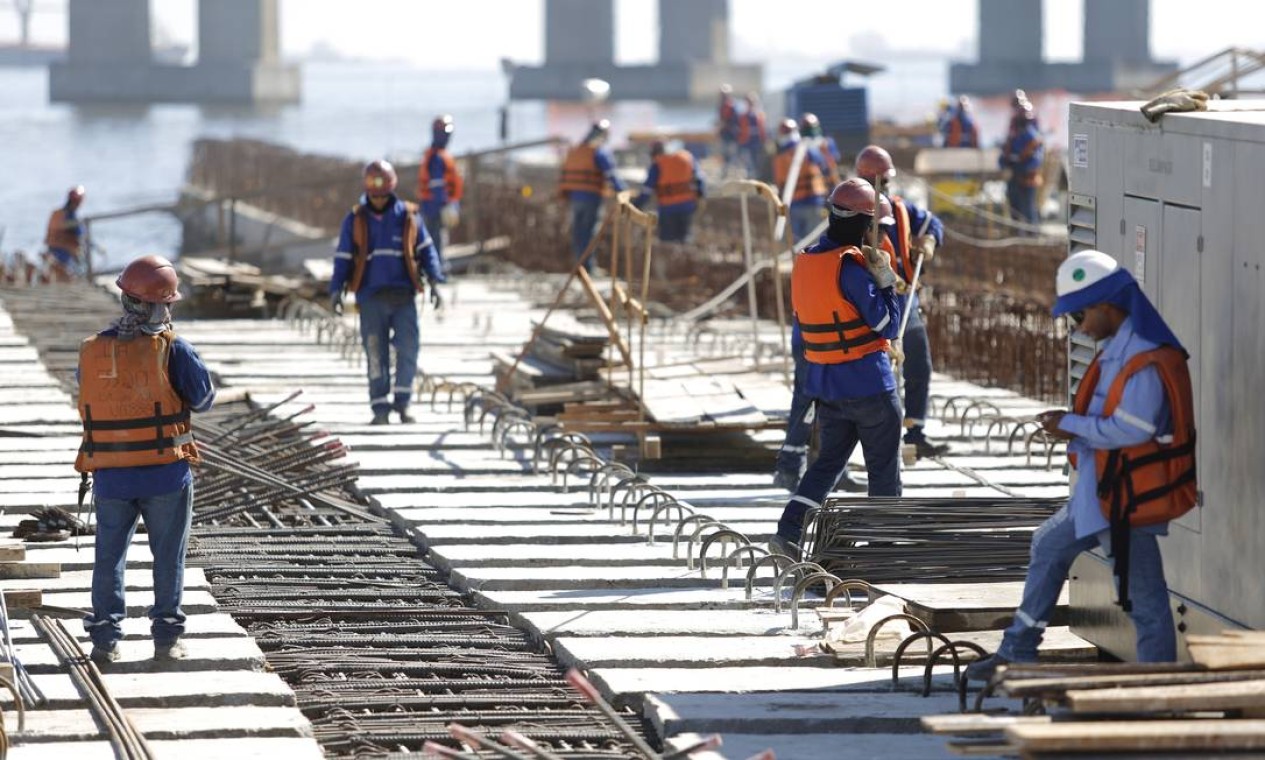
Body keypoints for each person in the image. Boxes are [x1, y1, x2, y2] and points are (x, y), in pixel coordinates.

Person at [966, 249, 1195, 680]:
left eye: (1080, 316)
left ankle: (1159, 689)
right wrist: (1071, 424)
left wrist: (1069, 425)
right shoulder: (1118, 350)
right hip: (1102, 493)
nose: (1079, 327)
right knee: (1049, 547)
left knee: (1144, 600)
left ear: (1107, 306)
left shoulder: (1142, 357)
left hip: (1126, 500)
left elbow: (1135, 428)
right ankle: (1018, 647)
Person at [75, 255, 215, 664]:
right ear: (159, 306)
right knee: (168, 557)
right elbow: (204, 400)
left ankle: (105, 640)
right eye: (168, 303)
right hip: (165, 477)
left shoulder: (93, 350)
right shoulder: (175, 349)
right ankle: (166, 640)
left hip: (112, 477)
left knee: (109, 558)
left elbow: (89, 396)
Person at [769, 179, 905, 560]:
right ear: (865, 225)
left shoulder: (807, 261)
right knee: (883, 470)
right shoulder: (852, 268)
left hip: (828, 386)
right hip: (870, 386)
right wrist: (887, 283)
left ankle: (789, 530)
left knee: (826, 464)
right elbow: (887, 327)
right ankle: (882, 548)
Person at [330, 160, 446, 426]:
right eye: (374, 194)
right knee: (375, 353)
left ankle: (403, 403)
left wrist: (435, 284)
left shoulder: (408, 216)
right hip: (370, 299)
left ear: (391, 189)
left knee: (408, 349)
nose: (379, 199)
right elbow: (343, 257)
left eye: (383, 194)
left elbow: (427, 251)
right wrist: (336, 289)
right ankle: (379, 407)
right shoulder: (356, 219)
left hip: (403, 296)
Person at [854, 145, 949, 460]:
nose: (884, 188)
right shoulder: (852, 214)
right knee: (882, 371)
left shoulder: (900, 209)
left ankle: (915, 432)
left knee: (918, 362)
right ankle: (880, 440)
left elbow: (931, 223)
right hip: (872, 305)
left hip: (906, 298)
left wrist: (930, 240)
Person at [559, 119, 626, 272]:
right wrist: (622, 191)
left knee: (578, 231)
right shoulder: (599, 151)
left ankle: (579, 264)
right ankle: (587, 267)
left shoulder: (576, 150)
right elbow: (611, 175)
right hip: (590, 197)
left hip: (575, 197)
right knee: (589, 232)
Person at [417, 114, 463, 273]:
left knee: (436, 239)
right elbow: (437, 185)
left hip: (434, 205)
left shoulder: (438, 155)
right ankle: (436, 271)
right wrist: (446, 205)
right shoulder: (436, 158)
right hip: (434, 206)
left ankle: (436, 269)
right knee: (435, 240)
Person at [772, 118, 831, 243]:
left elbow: (780, 185)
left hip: (795, 205)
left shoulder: (779, 158)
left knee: (798, 245)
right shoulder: (808, 149)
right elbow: (824, 167)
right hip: (812, 203)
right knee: (814, 243)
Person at [635, 140, 705, 243]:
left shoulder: (657, 166)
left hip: (667, 209)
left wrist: (636, 205)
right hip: (687, 207)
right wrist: (701, 196)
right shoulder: (687, 158)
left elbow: (647, 191)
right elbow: (700, 179)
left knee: (667, 242)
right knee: (684, 239)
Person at [1000, 104, 1045, 227]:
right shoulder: (1013, 136)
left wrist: (1023, 168)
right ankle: (1017, 232)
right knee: (1014, 207)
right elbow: (1004, 155)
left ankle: (1032, 234)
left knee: (1028, 208)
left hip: (1027, 178)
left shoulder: (1033, 138)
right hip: (1014, 176)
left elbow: (1036, 160)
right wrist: (1006, 164)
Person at [45, 185, 86, 281]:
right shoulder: (72, 217)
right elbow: (81, 235)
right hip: (66, 255)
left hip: (52, 251)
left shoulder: (57, 213)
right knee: (77, 273)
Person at [799, 112, 841, 186]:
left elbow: (834, 160)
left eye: (811, 127)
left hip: (830, 181)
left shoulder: (827, 143)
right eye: (807, 127)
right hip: (815, 184)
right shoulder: (801, 147)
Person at [736, 92, 767, 179]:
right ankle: (750, 177)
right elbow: (740, 129)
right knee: (748, 163)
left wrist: (764, 140)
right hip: (746, 142)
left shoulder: (759, 115)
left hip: (757, 142)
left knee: (757, 162)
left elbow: (762, 129)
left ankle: (757, 177)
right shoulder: (743, 116)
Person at [717, 84, 741, 178]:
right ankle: (727, 172)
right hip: (725, 135)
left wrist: (722, 126)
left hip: (731, 135)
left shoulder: (731, 106)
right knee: (726, 155)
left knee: (731, 155)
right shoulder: (722, 106)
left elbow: (731, 121)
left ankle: (732, 173)